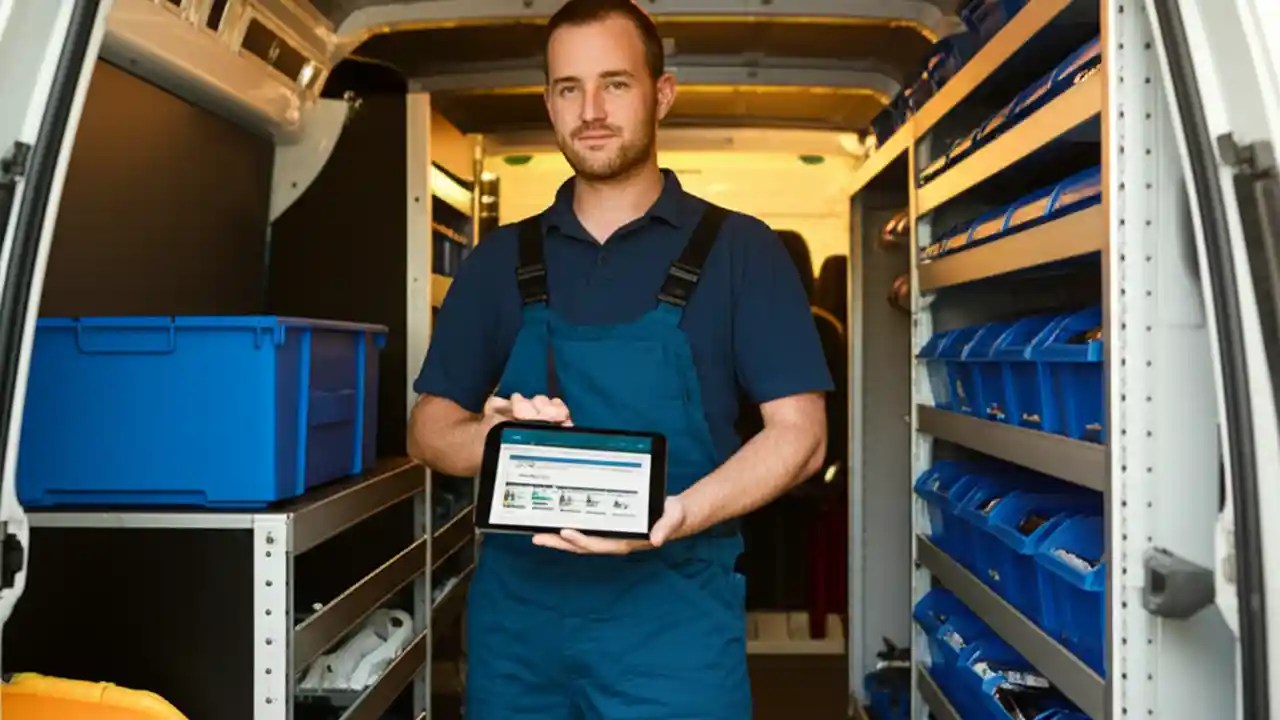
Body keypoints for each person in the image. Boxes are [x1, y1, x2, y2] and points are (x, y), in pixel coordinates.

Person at [407, 0, 832, 717]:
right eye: (569, 88)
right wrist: (498, 438)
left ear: (661, 94)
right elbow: (428, 429)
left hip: (674, 628)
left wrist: (674, 516)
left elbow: (802, 435)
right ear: (548, 102)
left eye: (616, 83)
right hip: (518, 632)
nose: (592, 110)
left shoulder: (742, 252)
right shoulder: (500, 260)